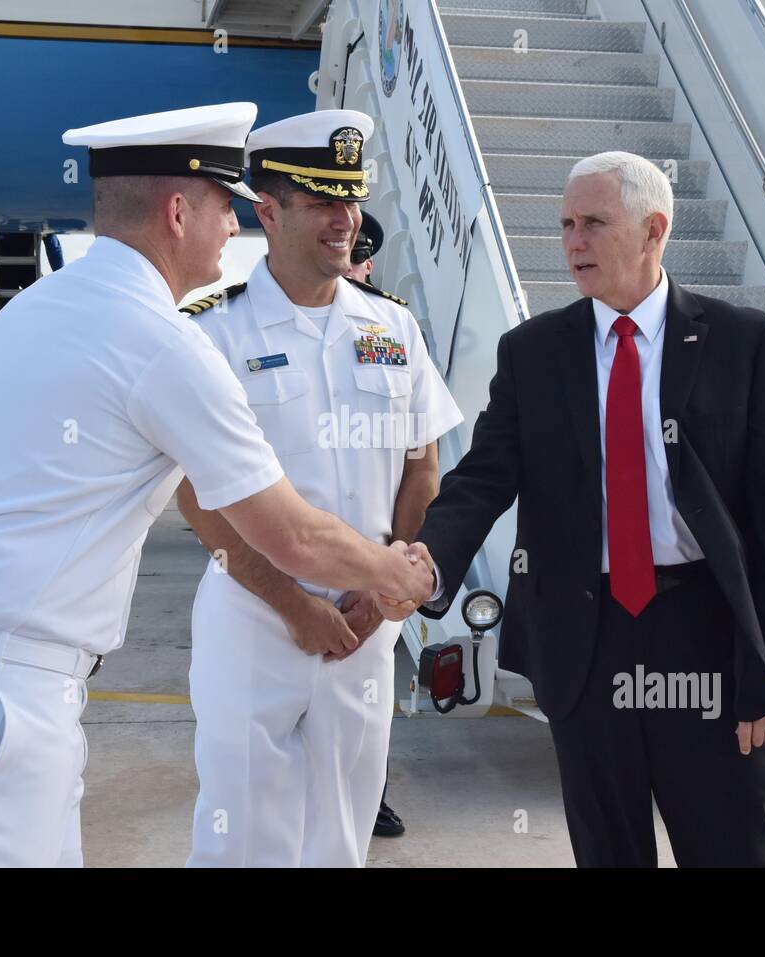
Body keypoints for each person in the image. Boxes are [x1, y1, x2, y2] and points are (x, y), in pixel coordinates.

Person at [0, 103, 434, 867]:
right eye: (225, 205)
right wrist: (398, 572)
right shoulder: (162, 341)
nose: (234, 227)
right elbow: (289, 532)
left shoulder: (26, 314)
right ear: (177, 211)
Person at [399, 150, 765, 867]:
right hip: (584, 643)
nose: (573, 242)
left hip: (704, 636)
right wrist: (427, 562)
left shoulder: (740, 342)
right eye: (565, 225)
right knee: (608, 850)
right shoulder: (533, 353)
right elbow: (482, 479)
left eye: (593, 222)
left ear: (654, 230)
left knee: (730, 843)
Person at [176, 111, 462, 867]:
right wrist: (291, 603)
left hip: (366, 627)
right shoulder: (214, 333)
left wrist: (380, 595)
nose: (347, 220)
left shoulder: (393, 327)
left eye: (353, 200)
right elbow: (198, 498)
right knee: (240, 833)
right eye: (324, 202)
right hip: (254, 616)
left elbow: (421, 468)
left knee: (342, 831)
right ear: (267, 211)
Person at [339, 210, 406, 840]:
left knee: (369, 712)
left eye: (362, 256)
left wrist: (398, 572)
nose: (356, 266)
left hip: (378, 576)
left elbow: (422, 462)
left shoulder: (393, 324)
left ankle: (375, 795)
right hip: (277, 592)